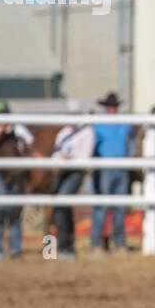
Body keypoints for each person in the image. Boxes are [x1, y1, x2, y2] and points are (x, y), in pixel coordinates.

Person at [0, 102, 36, 261]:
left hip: (14, 175)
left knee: (13, 213)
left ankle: (14, 250)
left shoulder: (17, 128)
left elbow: (29, 141)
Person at [90, 92, 134, 255]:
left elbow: (132, 140)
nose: (112, 109)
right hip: (104, 168)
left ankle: (120, 243)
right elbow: (91, 143)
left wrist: (131, 152)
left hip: (121, 168)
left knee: (120, 207)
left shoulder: (124, 123)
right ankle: (96, 244)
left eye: (114, 106)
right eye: (109, 106)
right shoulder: (98, 123)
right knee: (101, 206)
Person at [51, 103, 94, 260]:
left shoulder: (86, 132)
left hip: (76, 171)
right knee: (59, 207)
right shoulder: (63, 133)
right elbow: (55, 154)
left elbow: (86, 156)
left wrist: (70, 158)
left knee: (63, 202)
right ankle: (59, 247)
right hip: (60, 171)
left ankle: (66, 247)